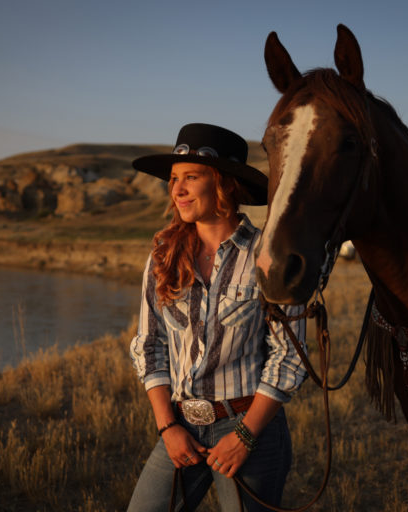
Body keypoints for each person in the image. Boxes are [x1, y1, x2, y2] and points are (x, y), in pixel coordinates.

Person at [127, 123, 308, 511]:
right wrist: (168, 427)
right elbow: (149, 345)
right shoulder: (163, 253)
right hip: (180, 427)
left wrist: (245, 435)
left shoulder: (267, 254)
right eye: (174, 179)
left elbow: (289, 357)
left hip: (249, 429)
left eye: (191, 177)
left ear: (224, 184)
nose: (177, 190)